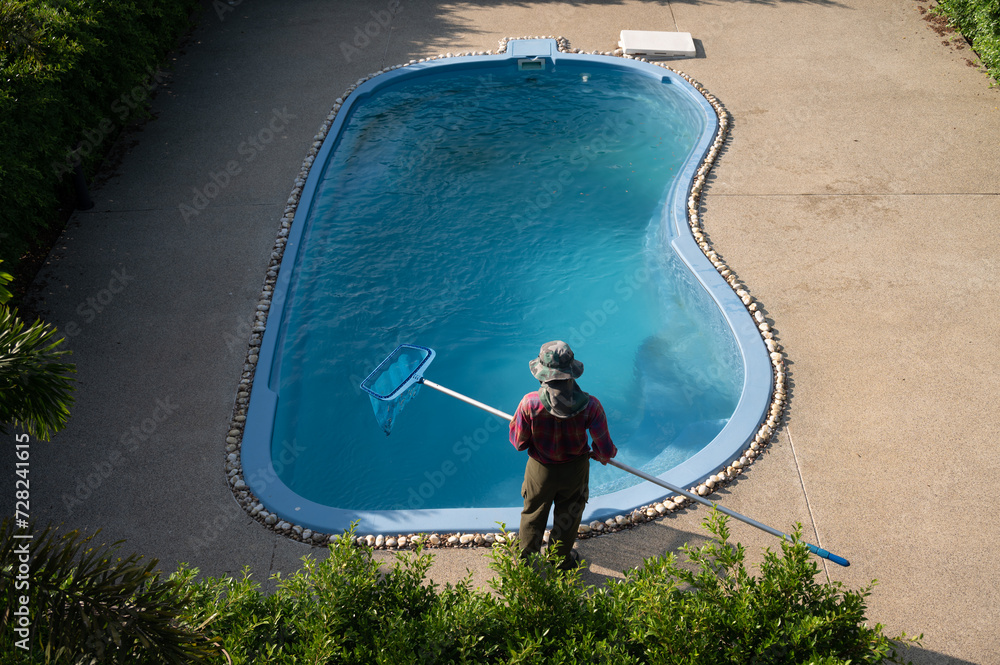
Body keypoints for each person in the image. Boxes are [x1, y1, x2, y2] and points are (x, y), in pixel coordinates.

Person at [509, 340, 617, 570]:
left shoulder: (530, 403)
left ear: (542, 375)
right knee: (568, 517)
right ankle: (560, 561)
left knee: (533, 514)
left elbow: (519, 443)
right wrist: (600, 454)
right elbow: (606, 450)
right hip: (574, 471)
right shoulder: (591, 406)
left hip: (540, 470)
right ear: (572, 373)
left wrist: (517, 424)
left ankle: (526, 565)